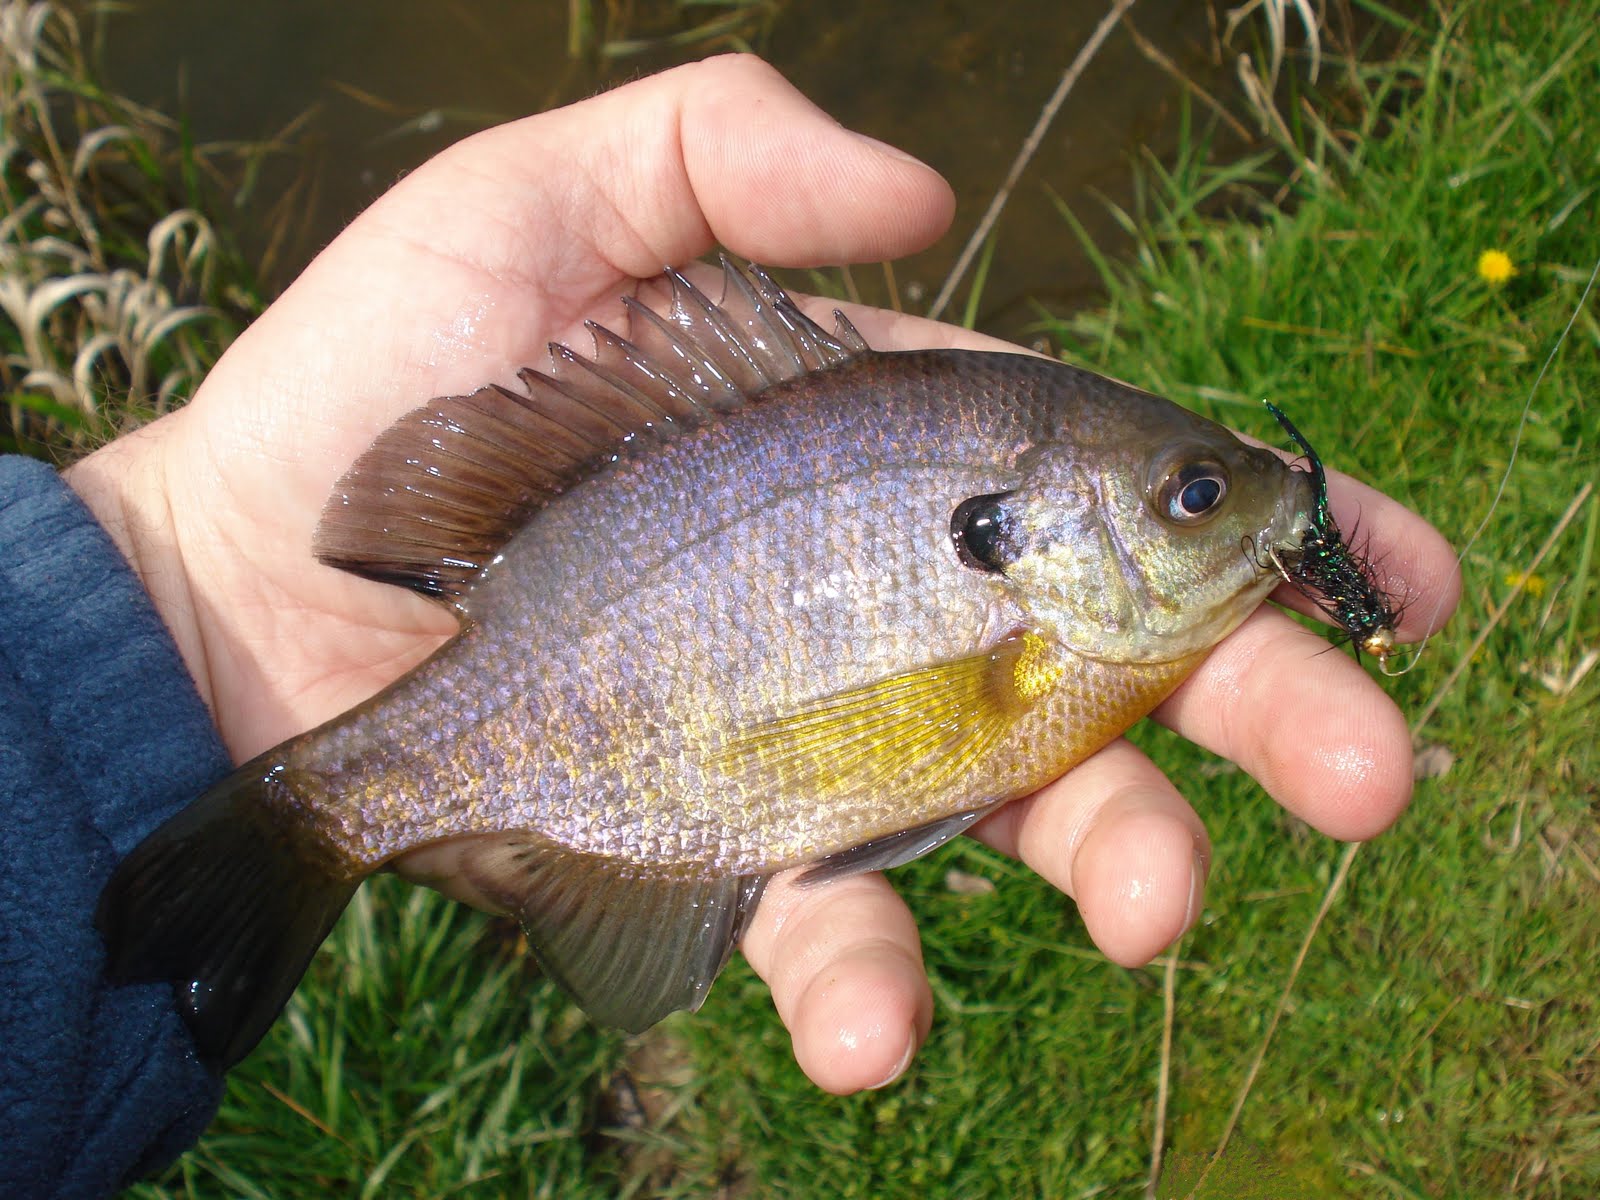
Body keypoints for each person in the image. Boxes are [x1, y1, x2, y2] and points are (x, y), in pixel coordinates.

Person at [0, 55, 1459, 1197]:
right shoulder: (1036, 661)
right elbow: (938, 738)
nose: (1224, 514)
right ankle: (291, 827)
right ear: (1041, 528)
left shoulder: (1051, 651)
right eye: (1192, 497)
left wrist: (155, 593)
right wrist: (179, 578)